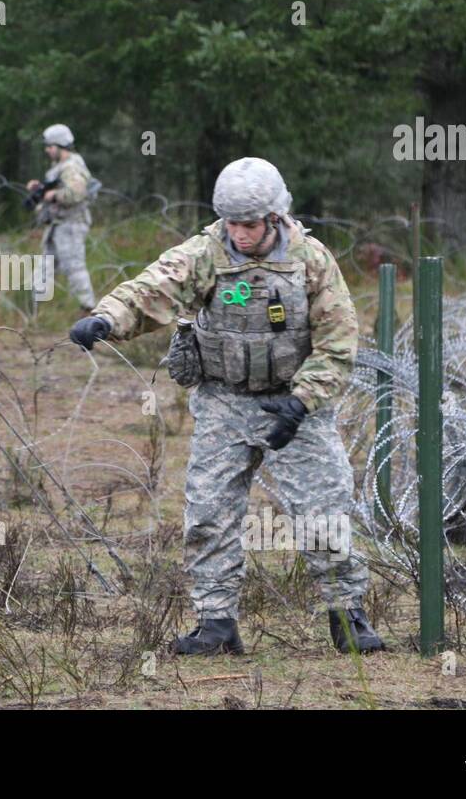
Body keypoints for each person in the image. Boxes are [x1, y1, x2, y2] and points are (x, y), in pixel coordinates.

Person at [68, 157, 386, 656]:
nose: (239, 234)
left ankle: (348, 615)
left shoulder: (311, 260)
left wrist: (301, 403)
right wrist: (106, 319)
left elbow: (338, 342)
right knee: (208, 512)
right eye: (232, 223)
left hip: (295, 402)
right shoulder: (206, 254)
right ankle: (216, 623)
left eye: (250, 224)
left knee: (321, 511)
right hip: (225, 401)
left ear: (275, 217)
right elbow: (155, 288)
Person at [27, 123, 97, 312]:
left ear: (60, 147)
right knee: (44, 268)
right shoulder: (59, 167)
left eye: (50, 147)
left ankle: (89, 310)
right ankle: (33, 312)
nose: (47, 150)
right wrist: (40, 190)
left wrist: (55, 196)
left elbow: (77, 192)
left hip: (70, 225)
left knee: (74, 268)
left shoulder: (72, 166)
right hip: (57, 225)